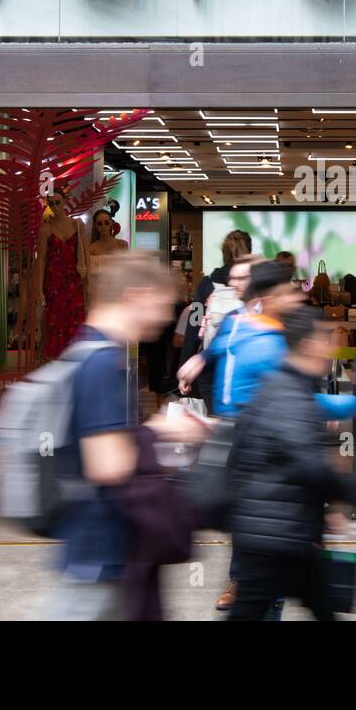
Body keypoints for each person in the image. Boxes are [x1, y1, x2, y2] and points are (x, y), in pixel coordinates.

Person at [46, 251, 207, 620]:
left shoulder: (93, 353)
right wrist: (161, 431)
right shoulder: (103, 363)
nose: (167, 317)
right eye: (164, 304)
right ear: (137, 296)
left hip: (105, 552)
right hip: (100, 556)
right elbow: (107, 464)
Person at [178, 259, 303, 611]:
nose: (233, 283)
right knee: (241, 510)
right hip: (233, 426)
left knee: (263, 509)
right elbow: (218, 349)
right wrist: (198, 361)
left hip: (265, 430)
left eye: (240, 278)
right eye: (231, 278)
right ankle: (247, 580)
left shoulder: (278, 325)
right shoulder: (234, 318)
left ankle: (261, 584)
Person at [226, 305, 356, 620]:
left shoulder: (280, 386)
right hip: (274, 535)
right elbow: (309, 464)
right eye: (327, 337)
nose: (333, 346)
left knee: (316, 605)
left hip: (279, 529)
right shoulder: (290, 394)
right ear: (309, 344)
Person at [178, 229, 252, 412]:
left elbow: (194, 328)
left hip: (211, 369)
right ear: (249, 252)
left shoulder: (205, 285)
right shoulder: (254, 285)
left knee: (216, 425)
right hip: (245, 370)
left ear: (223, 254)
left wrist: (185, 367)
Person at [35, 185, 89, 360]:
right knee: (56, 323)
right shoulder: (46, 229)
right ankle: (57, 364)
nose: (55, 206)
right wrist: (39, 288)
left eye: (58, 202)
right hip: (54, 282)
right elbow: (41, 258)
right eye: (51, 204)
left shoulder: (77, 225)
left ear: (65, 201)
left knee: (76, 321)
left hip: (74, 280)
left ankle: (76, 362)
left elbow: (85, 254)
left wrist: (89, 282)